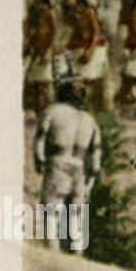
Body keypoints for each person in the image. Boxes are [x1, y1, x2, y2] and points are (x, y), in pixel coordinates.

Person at [32, 64, 100, 255]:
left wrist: (40, 161)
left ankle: (53, 254)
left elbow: (40, 138)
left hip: (57, 165)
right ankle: (77, 254)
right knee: (77, 214)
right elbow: (95, 153)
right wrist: (92, 178)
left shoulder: (52, 112)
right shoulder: (88, 119)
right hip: (79, 168)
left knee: (51, 212)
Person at [61, 0, 108, 114]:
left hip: (92, 48)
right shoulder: (70, 13)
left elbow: (95, 33)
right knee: (74, 80)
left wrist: (89, 51)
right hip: (77, 48)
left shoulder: (89, 11)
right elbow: (72, 32)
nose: (68, 0)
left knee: (91, 80)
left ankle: (96, 110)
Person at [24, 0, 60, 113]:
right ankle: (38, 111)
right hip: (35, 51)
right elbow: (28, 28)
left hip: (46, 51)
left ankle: (47, 111)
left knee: (43, 83)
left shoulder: (49, 11)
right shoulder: (32, 11)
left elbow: (54, 32)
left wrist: (47, 51)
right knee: (33, 83)